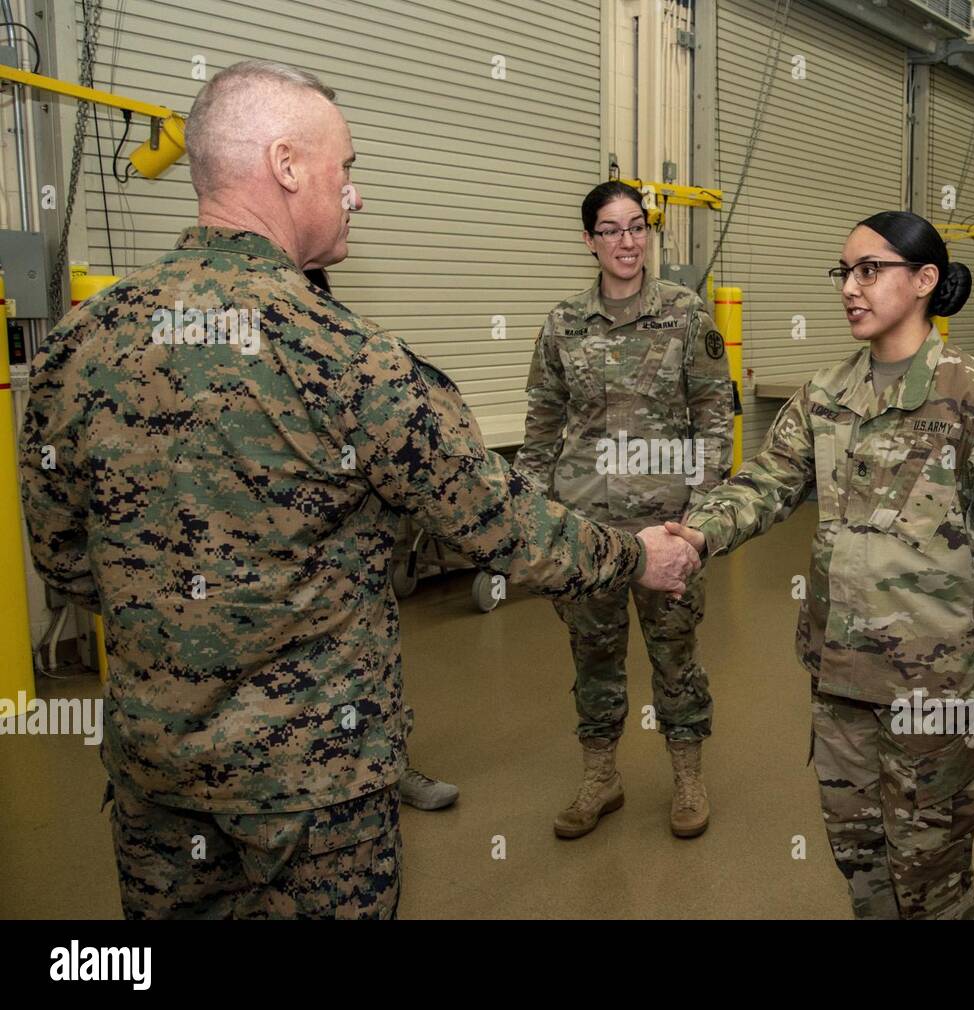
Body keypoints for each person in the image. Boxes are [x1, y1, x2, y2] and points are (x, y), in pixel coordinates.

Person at [19, 60, 698, 919]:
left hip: (158, 779)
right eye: (348, 168)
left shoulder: (78, 343)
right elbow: (501, 525)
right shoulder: (351, 359)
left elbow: (67, 566)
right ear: (286, 164)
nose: (357, 195)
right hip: (317, 796)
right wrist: (635, 557)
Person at [665, 211, 974, 918]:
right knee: (859, 855)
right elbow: (766, 484)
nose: (850, 287)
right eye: (844, 271)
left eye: (870, 270)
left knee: (929, 869)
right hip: (841, 677)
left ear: (926, 280)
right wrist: (696, 535)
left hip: (937, 689)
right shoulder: (826, 394)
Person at [514, 181, 733, 839]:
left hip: (664, 525)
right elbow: (542, 423)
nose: (627, 242)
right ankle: (600, 778)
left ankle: (688, 778)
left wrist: (700, 518)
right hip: (586, 529)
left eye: (637, 226)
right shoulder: (562, 324)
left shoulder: (685, 314)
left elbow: (714, 416)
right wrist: (531, 518)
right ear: (589, 240)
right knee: (594, 656)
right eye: (610, 230)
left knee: (675, 655)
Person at [304, 266, 458, 813]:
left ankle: (389, 769)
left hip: (351, 581)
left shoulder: (354, 366)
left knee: (367, 675)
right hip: (272, 586)